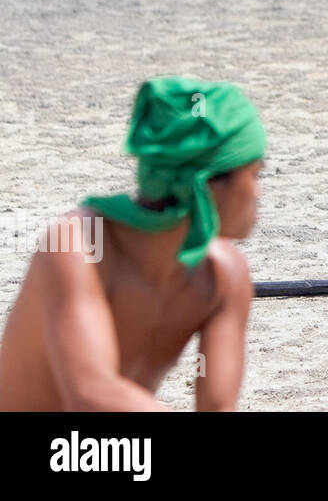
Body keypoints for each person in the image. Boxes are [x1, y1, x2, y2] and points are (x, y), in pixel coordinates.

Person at [0, 78, 265, 410]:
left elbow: (217, 406)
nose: (258, 193)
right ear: (209, 184)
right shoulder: (80, 243)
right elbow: (90, 395)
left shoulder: (226, 278)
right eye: (254, 175)